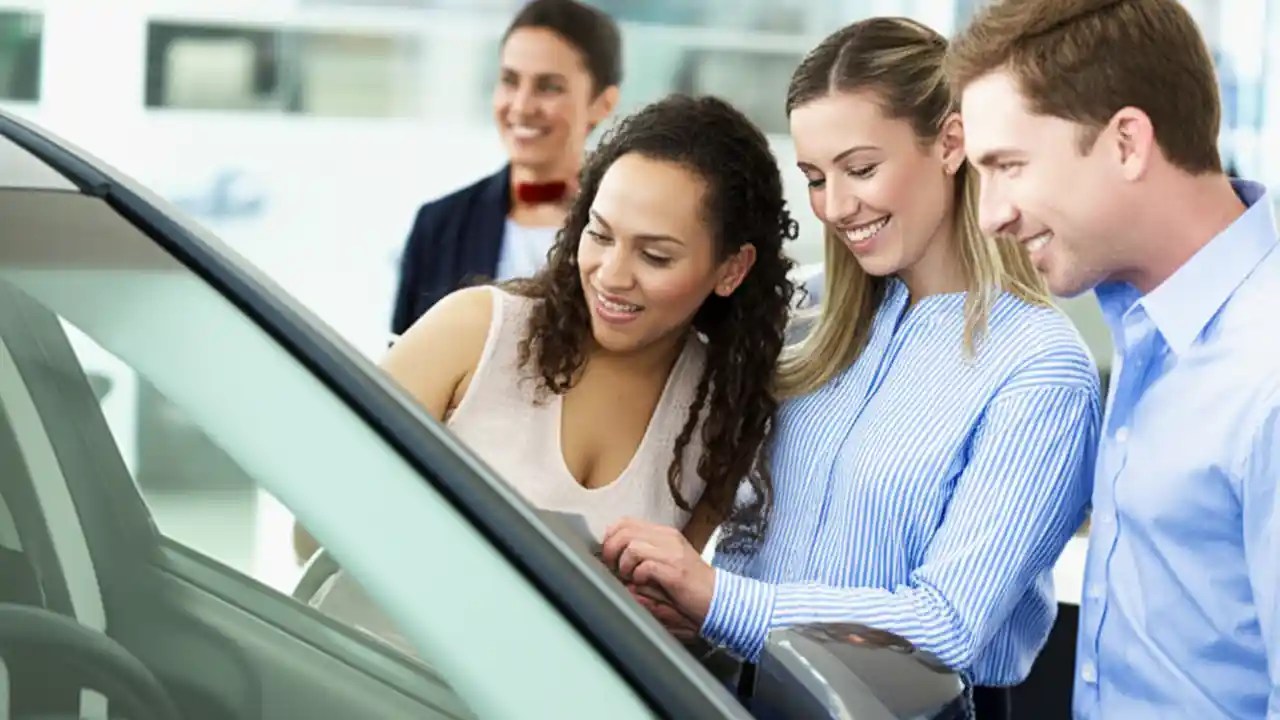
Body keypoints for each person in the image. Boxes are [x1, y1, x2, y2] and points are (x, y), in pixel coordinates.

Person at [600, 18, 1100, 719]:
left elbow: (946, 626)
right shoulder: (804, 310)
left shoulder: (1040, 371)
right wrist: (697, 606)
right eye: (814, 177)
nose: (836, 207)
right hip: (738, 692)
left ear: (951, 143)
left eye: (861, 169)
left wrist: (722, 599)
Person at [300, 94, 799, 633]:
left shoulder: (722, 413)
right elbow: (309, 533)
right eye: (600, 234)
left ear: (732, 269)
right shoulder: (475, 332)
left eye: (655, 255)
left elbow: (655, 627)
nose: (611, 274)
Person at [946, 1, 1280, 717]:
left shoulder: (1265, 375)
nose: (989, 215)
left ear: (1127, 142)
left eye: (1008, 166)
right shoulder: (1147, 327)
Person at [389, 0, 622, 338]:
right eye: (510, 81)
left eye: (549, 87)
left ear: (603, 103)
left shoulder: (625, 229)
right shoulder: (439, 224)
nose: (522, 106)